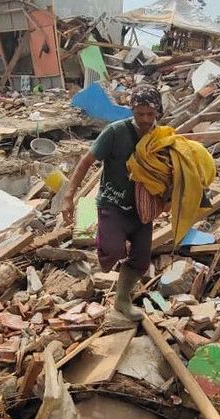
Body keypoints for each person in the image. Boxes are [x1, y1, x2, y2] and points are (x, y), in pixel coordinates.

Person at [60, 84, 164, 321]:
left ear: (157, 111)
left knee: (140, 259)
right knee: (113, 252)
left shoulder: (161, 137)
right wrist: (69, 196)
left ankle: (122, 300)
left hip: (142, 207)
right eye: (140, 114)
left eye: (150, 114)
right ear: (132, 111)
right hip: (113, 203)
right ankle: (104, 242)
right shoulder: (115, 132)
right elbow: (86, 161)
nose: (146, 119)